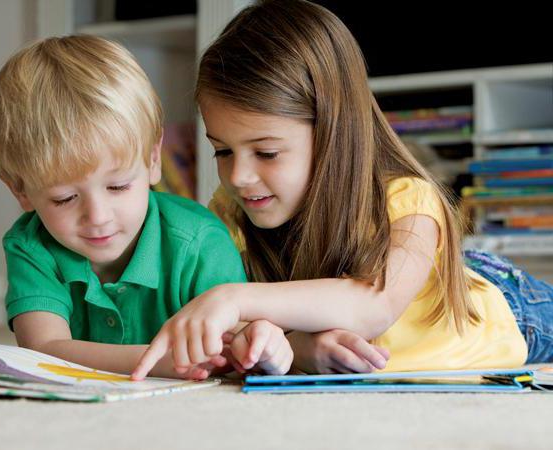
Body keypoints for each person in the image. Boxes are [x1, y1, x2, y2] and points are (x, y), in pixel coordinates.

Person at [132, 0, 553, 380]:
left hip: (505, 308)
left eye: (267, 152)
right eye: (222, 151)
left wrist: (231, 298)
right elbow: (237, 340)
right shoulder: (230, 212)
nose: (238, 175)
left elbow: (373, 307)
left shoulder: (409, 200)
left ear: (335, 133)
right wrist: (300, 348)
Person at [0, 35, 293, 380]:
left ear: (153, 158)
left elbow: (235, 338)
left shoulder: (199, 241)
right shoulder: (30, 245)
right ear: (19, 190)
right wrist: (155, 360)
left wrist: (260, 341)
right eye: (65, 198)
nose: (98, 217)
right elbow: (43, 349)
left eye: (118, 186)